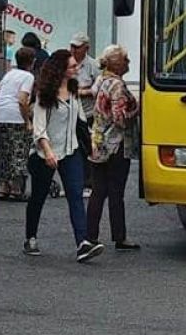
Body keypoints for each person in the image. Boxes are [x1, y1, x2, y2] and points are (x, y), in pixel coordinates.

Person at [24, 49, 103, 263]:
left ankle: (82, 243)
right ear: (61, 69)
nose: (76, 68)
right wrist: (48, 152)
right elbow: (39, 128)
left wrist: (92, 142)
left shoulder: (73, 89)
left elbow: (81, 121)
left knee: (75, 195)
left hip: (71, 150)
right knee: (38, 197)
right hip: (45, 153)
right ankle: (30, 237)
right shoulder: (44, 94)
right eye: (72, 66)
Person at [86, 44, 141, 252]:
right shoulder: (117, 85)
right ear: (117, 64)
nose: (128, 63)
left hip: (98, 141)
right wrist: (135, 113)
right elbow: (119, 116)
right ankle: (119, 235)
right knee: (116, 191)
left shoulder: (100, 80)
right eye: (126, 60)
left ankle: (90, 235)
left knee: (98, 190)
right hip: (116, 144)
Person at [0, 46, 35, 200]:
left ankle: (3, 188)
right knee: (19, 151)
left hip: (1, 114)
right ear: (32, 62)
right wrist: (27, 121)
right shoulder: (28, 76)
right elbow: (22, 100)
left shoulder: (9, 74)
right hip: (16, 117)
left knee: (4, 152)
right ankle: (16, 189)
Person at [70, 32, 98, 196]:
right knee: (73, 149)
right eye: (72, 46)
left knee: (87, 148)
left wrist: (82, 92)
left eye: (77, 47)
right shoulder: (68, 63)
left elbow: (100, 88)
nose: (73, 50)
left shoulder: (93, 66)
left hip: (88, 113)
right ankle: (75, 182)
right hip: (71, 113)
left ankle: (89, 183)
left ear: (86, 48)